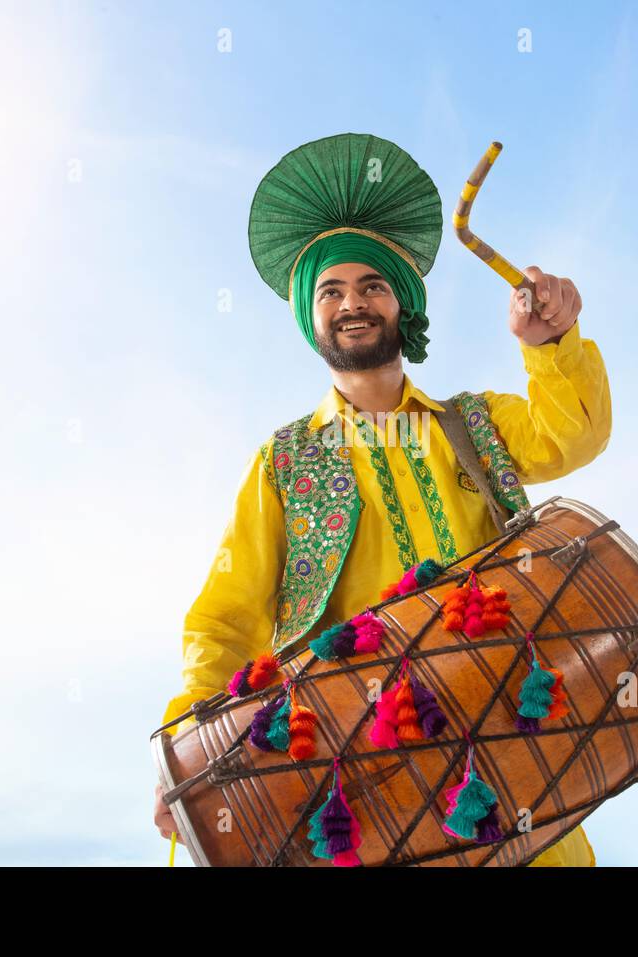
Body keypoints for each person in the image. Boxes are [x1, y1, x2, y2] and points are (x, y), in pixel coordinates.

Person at [154, 133, 611, 866]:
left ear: (403, 303)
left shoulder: (473, 424)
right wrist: (188, 751)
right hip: (369, 793)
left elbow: (574, 435)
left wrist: (552, 343)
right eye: (330, 291)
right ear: (313, 315)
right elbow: (226, 617)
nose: (352, 303)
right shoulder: (284, 462)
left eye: (372, 285)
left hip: (517, 759)